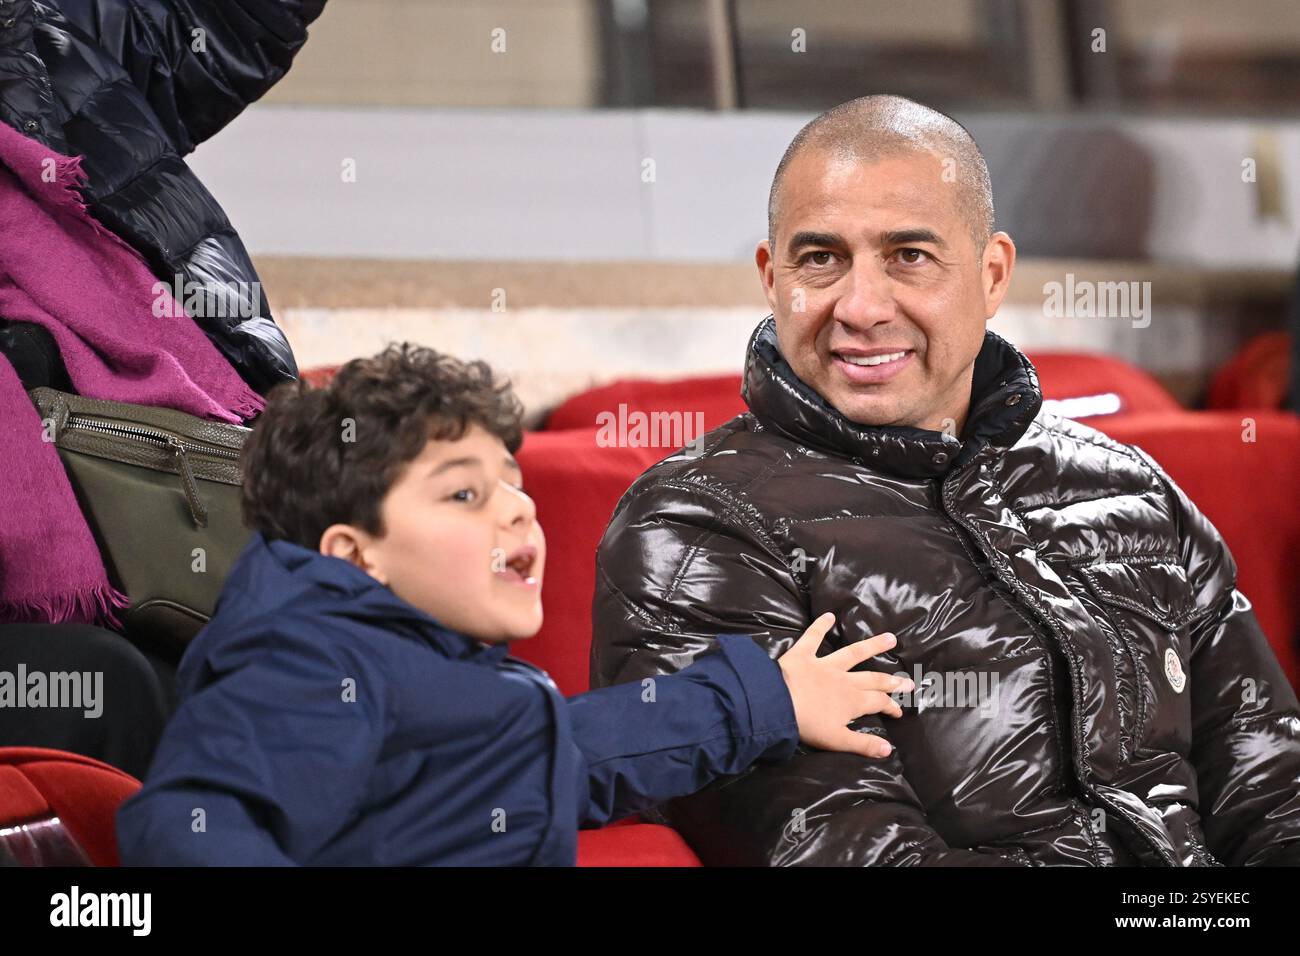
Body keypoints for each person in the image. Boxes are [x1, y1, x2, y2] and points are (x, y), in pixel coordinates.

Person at [590, 94, 1300, 866]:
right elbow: (844, 849)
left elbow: (1273, 787)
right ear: (772, 278)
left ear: (993, 275)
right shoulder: (695, 527)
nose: (860, 307)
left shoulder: (1130, 488)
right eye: (820, 258)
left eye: (909, 257)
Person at [115, 345, 911, 865]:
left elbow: (577, 752)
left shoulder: (440, 683)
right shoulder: (312, 659)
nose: (517, 511)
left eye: (514, 484)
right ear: (355, 556)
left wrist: (766, 697)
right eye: (465, 492)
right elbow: (189, 821)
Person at [0, 0, 326, 776]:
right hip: (68, 621)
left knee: (261, 682)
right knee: (97, 690)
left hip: (154, 558)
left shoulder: (34, 38)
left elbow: (226, 26)